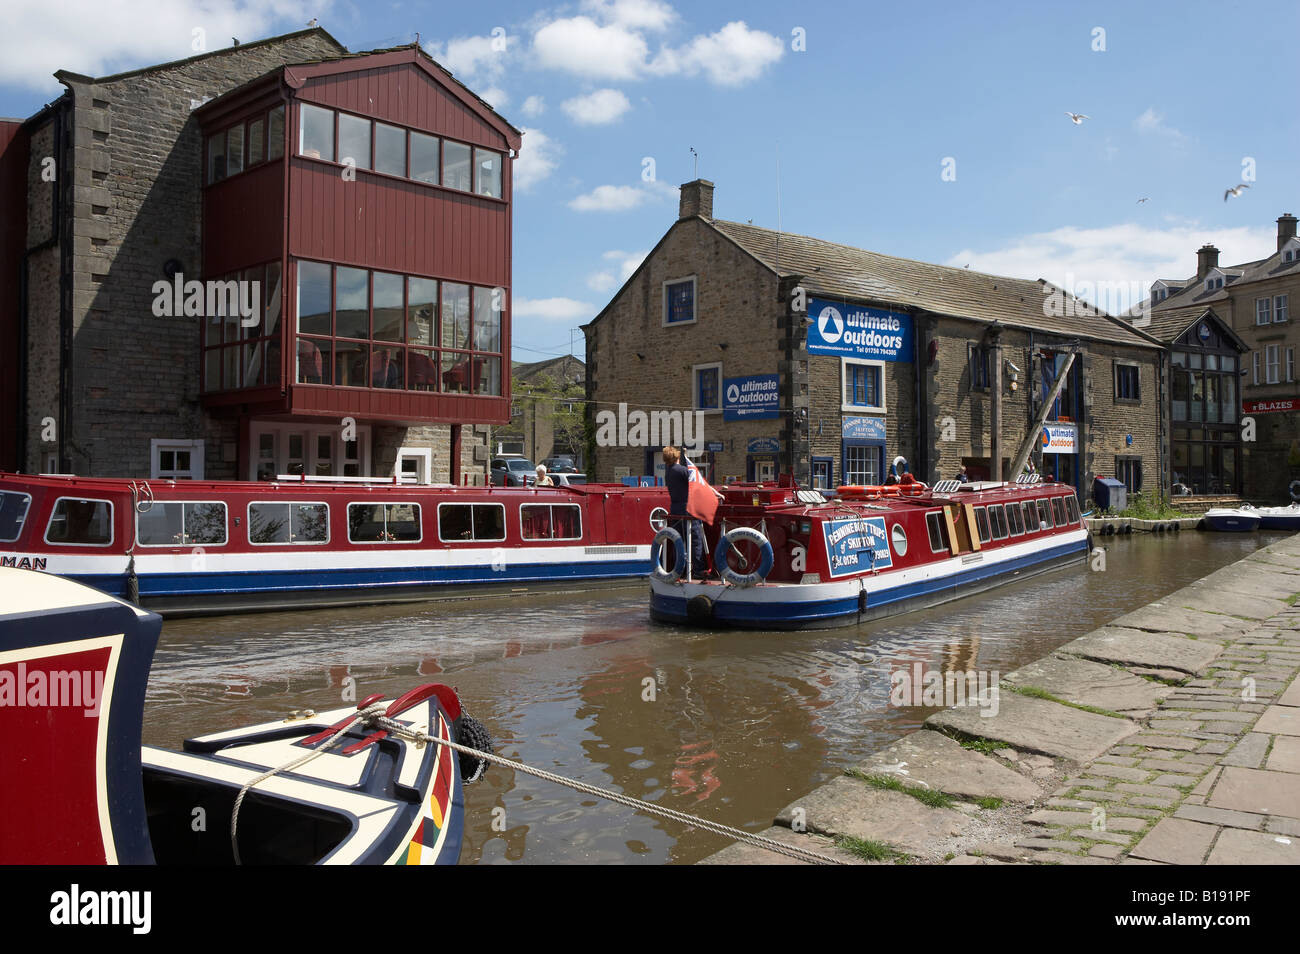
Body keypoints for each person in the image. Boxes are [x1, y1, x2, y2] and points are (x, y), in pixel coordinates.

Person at [663, 446, 705, 578]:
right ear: (676, 457)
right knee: (695, 540)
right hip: (687, 510)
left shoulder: (668, 471)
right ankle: (697, 571)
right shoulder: (681, 470)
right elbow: (695, 480)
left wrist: (684, 456)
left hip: (674, 509)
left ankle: (679, 569)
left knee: (679, 541)